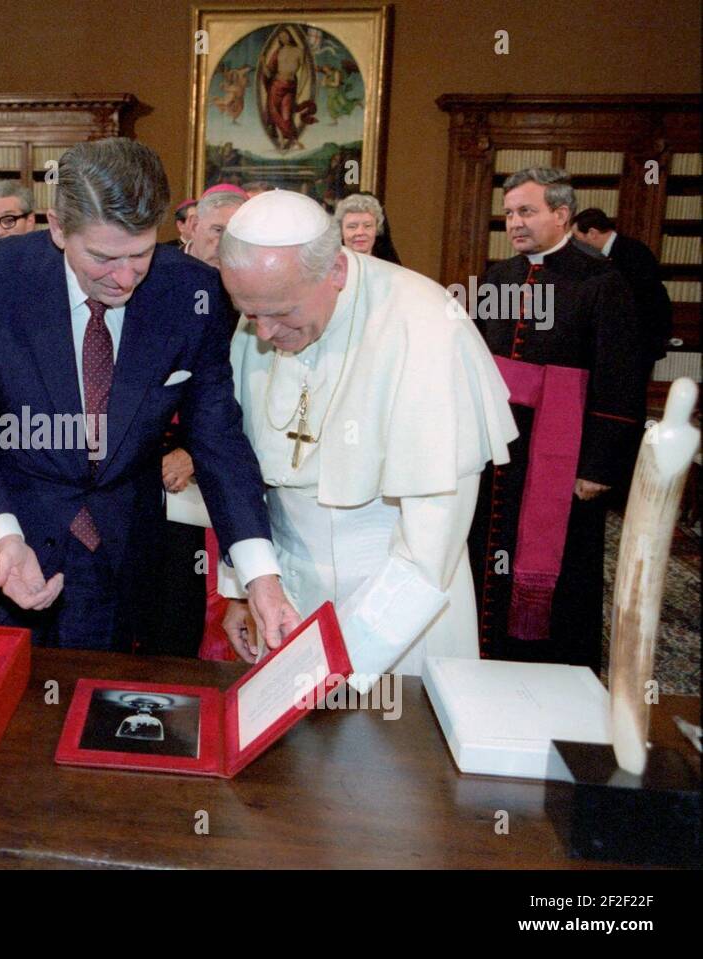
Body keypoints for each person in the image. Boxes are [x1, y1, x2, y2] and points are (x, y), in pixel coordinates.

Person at [0, 137, 286, 652]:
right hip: (14, 543)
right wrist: (2, 534)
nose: (123, 278)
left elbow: (219, 439)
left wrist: (258, 574)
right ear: (56, 227)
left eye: (139, 254)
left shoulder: (192, 294)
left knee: (106, 708)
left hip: (125, 554)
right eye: (102, 256)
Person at [216, 190, 516, 686]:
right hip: (287, 599)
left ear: (335, 270)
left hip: (397, 610)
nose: (264, 334)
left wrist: (338, 662)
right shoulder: (264, 314)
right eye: (249, 313)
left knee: (388, 754)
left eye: (282, 313)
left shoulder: (424, 325)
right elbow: (243, 477)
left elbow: (430, 544)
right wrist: (242, 589)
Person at [470, 168, 641, 671]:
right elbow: (478, 358)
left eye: (527, 211)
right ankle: (487, 654)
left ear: (562, 214)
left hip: (563, 451)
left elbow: (620, 378)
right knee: (488, 545)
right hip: (501, 443)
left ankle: (553, 667)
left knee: (561, 561)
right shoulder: (500, 276)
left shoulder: (602, 281)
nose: (515, 223)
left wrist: (599, 465)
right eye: (509, 213)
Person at [572, 207, 673, 385]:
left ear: (593, 233)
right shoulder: (612, 253)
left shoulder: (632, 252)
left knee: (631, 392)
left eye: (578, 237)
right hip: (623, 340)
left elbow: (639, 300)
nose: (576, 243)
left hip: (638, 339)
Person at [187, 184, 247, 268]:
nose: (224, 247)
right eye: (218, 230)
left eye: (235, 234)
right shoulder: (165, 267)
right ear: (194, 225)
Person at [334, 192, 401, 265]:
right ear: (341, 231)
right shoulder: (327, 271)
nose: (360, 232)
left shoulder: (390, 271)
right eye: (352, 227)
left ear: (377, 229)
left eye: (368, 226)